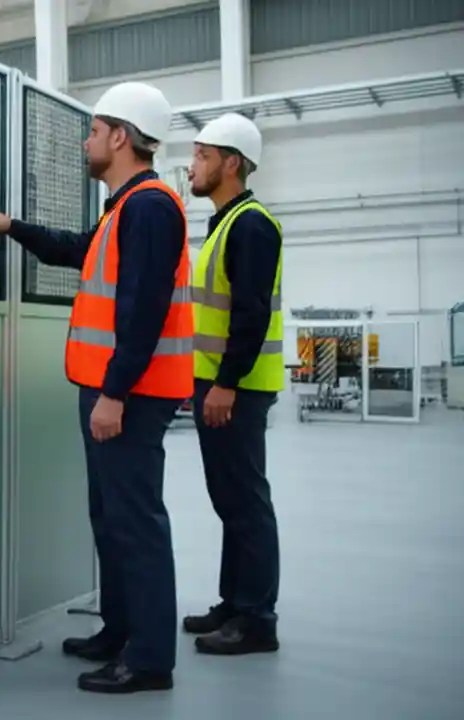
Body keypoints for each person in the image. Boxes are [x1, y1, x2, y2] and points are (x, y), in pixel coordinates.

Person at [0, 81, 192, 694]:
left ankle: (148, 660)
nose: (85, 141)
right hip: (113, 389)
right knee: (111, 516)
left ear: (119, 136)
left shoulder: (150, 207)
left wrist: (115, 393)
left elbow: (143, 311)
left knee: (136, 520)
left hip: (130, 395)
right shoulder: (124, 208)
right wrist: (11, 225)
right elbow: (75, 250)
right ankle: (120, 630)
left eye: (93, 130)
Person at [181, 112, 284, 656]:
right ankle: (235, 602)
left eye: (202, 155)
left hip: (237, 387)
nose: (192, 165)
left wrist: (225, 383)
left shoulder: (251, 224)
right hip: (218, 383)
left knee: (245, 500)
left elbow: (250, 314)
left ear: (232, 163)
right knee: (229, 499)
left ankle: (257, 618)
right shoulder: (225, 222)